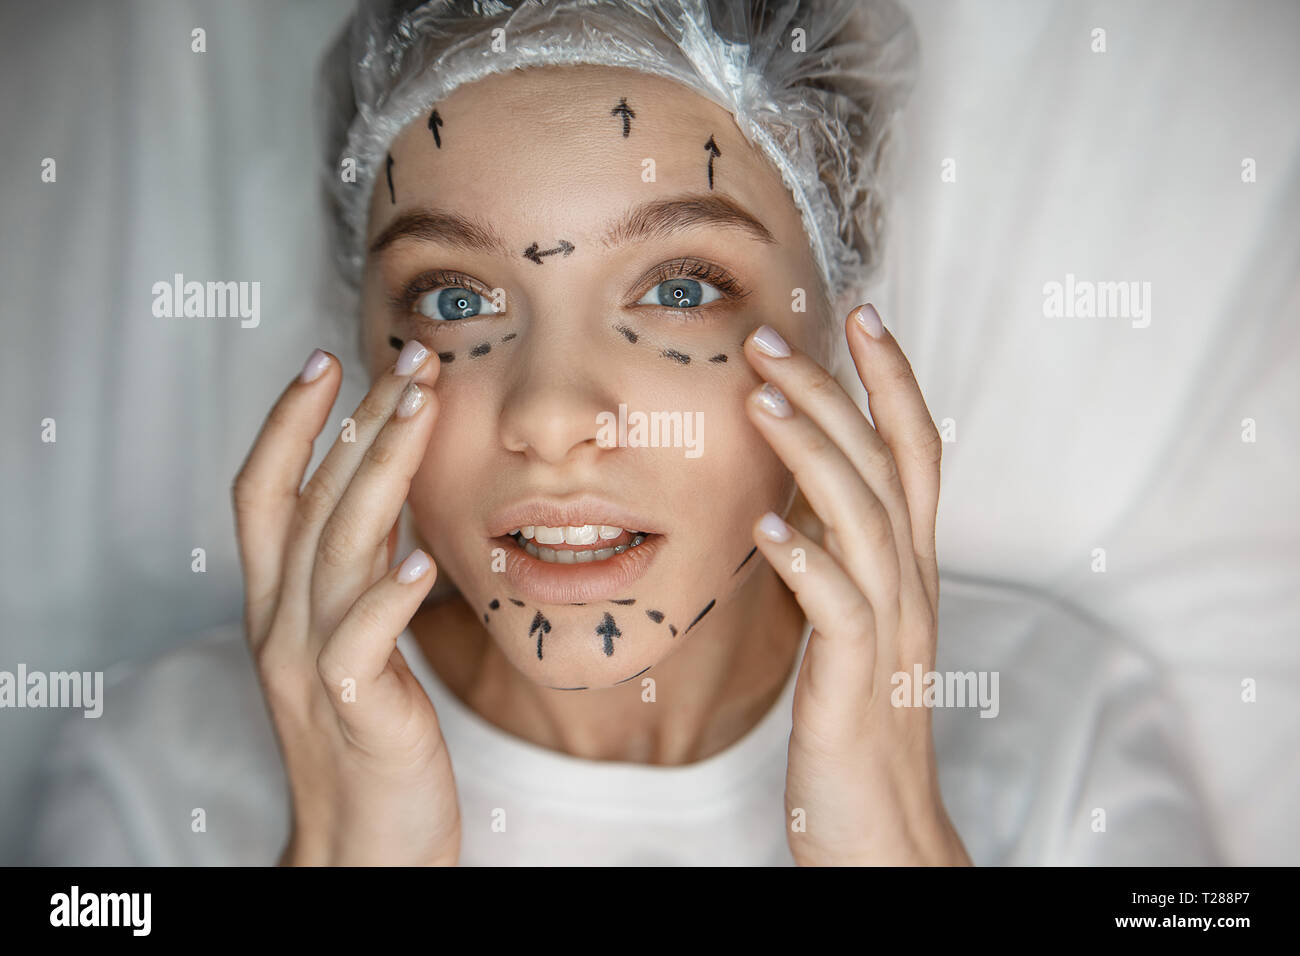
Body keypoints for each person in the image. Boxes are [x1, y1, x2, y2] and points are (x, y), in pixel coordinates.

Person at [26, 0, 1218, 867]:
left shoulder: (1066, 749)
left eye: (682, 288)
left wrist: (895, 845)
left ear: (836, 320)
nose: (549, 416)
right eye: (453, 300)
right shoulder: (154, 780)